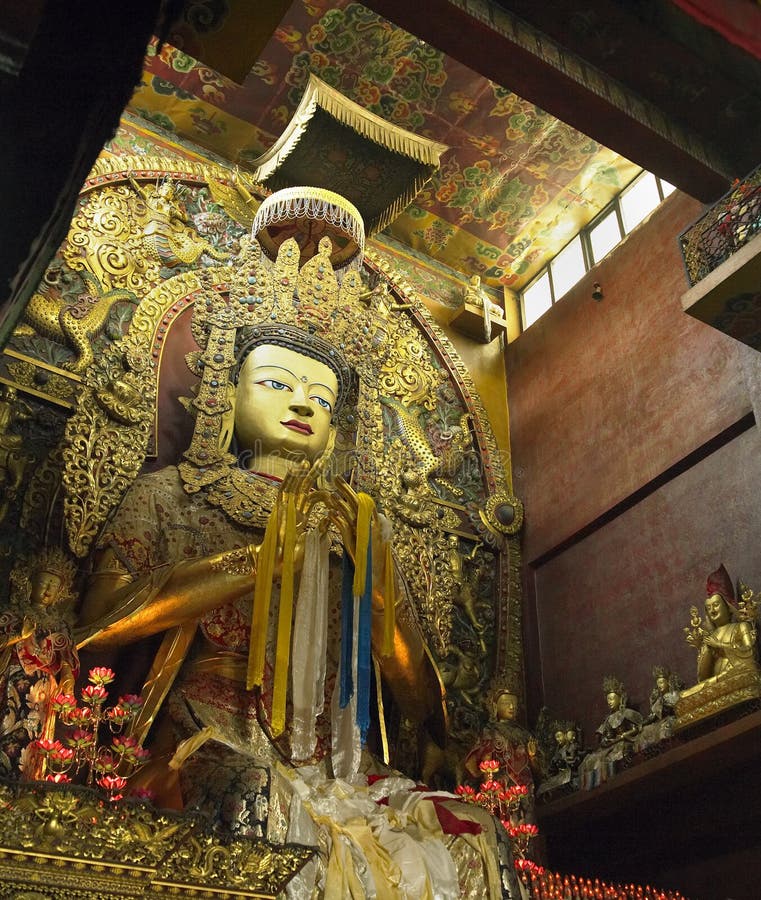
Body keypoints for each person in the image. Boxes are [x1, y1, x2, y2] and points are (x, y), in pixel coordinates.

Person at [76, 189, 516, 899]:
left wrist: (378, 596)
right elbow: (94, 630)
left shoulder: (353, 531)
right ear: (225, 393)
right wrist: (248, 566)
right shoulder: (170, 497)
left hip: (337, 754)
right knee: (270, 808)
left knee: (472, 830)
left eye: (322, 396)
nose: (303, 403)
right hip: (209, 730)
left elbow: (418, 699)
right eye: (277, 382)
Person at [0, 548, 79, 779]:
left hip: (44, 689)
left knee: (35, 735)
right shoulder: (12, 615)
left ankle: (27, 780)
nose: (47, 590)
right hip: (13, 677)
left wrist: (67, 677)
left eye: (53, 587)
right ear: (29, 584)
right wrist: (18, 635)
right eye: (44, 583)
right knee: (7, 724)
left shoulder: (60, 625)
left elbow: (66, 657)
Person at [684, 564, 760, 682]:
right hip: (717, 682)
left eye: (716, 605)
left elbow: (750, 655)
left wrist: (719, 645)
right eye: (708, 608)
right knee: (691, 691)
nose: (712, 610)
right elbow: (703, 677)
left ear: (727, 606)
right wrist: (706, 649)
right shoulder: (711, 637)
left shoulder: (741, 626)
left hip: (740, 675)